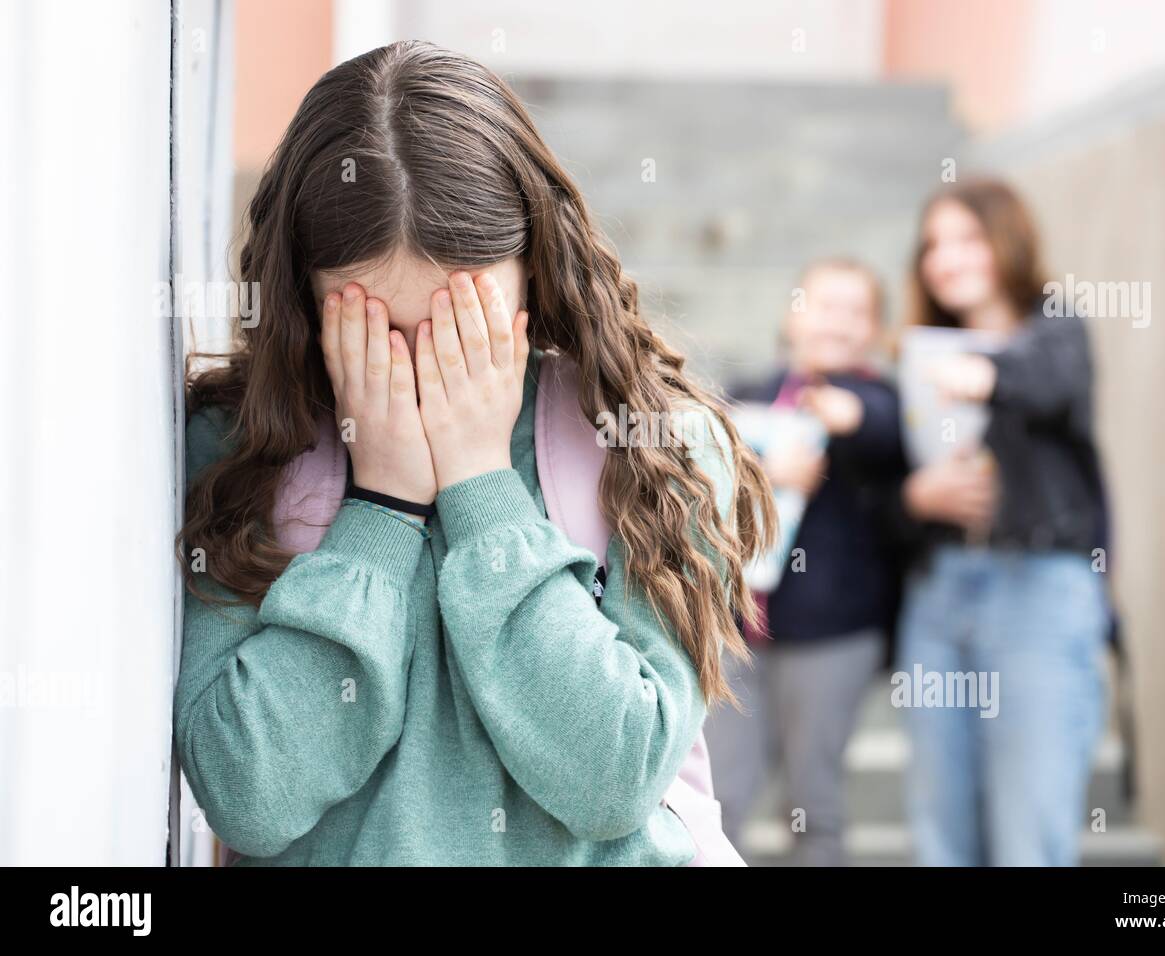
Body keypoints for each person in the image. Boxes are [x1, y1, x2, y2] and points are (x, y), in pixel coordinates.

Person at [174, 41, 776, 866]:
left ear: (535, 265)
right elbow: (248, 795)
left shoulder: (653, 446)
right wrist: (380, 507)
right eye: (377, 329)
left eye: (463, 322)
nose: (425, 365)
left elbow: (613, 783)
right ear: (304, 300)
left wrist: (481, 484)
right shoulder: (240, 449)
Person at [894, 178, 1111, 866]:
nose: (945, 258)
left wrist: (983, 375)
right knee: (942, 834)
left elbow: (1045, 380)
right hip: (938, 596)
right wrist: (914, 498)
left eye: (966, 239)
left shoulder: (1057, 331)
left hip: (1039, 593)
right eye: (934, 245)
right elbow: (876, 484)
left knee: (1030, 835)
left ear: (1006, 242)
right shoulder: (922, 353)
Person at [706, 258, 906, 866]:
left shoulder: (876, 401)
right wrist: (764, 475)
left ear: (875, 331)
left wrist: (846, 414)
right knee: (714, 800)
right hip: (738, 631)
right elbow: (696, 475)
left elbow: (884, 430)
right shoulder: (746, 397)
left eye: (856, 311)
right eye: (824, 305)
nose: (838, 323)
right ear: (792, 315)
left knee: (813, 804)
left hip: (830, 636)